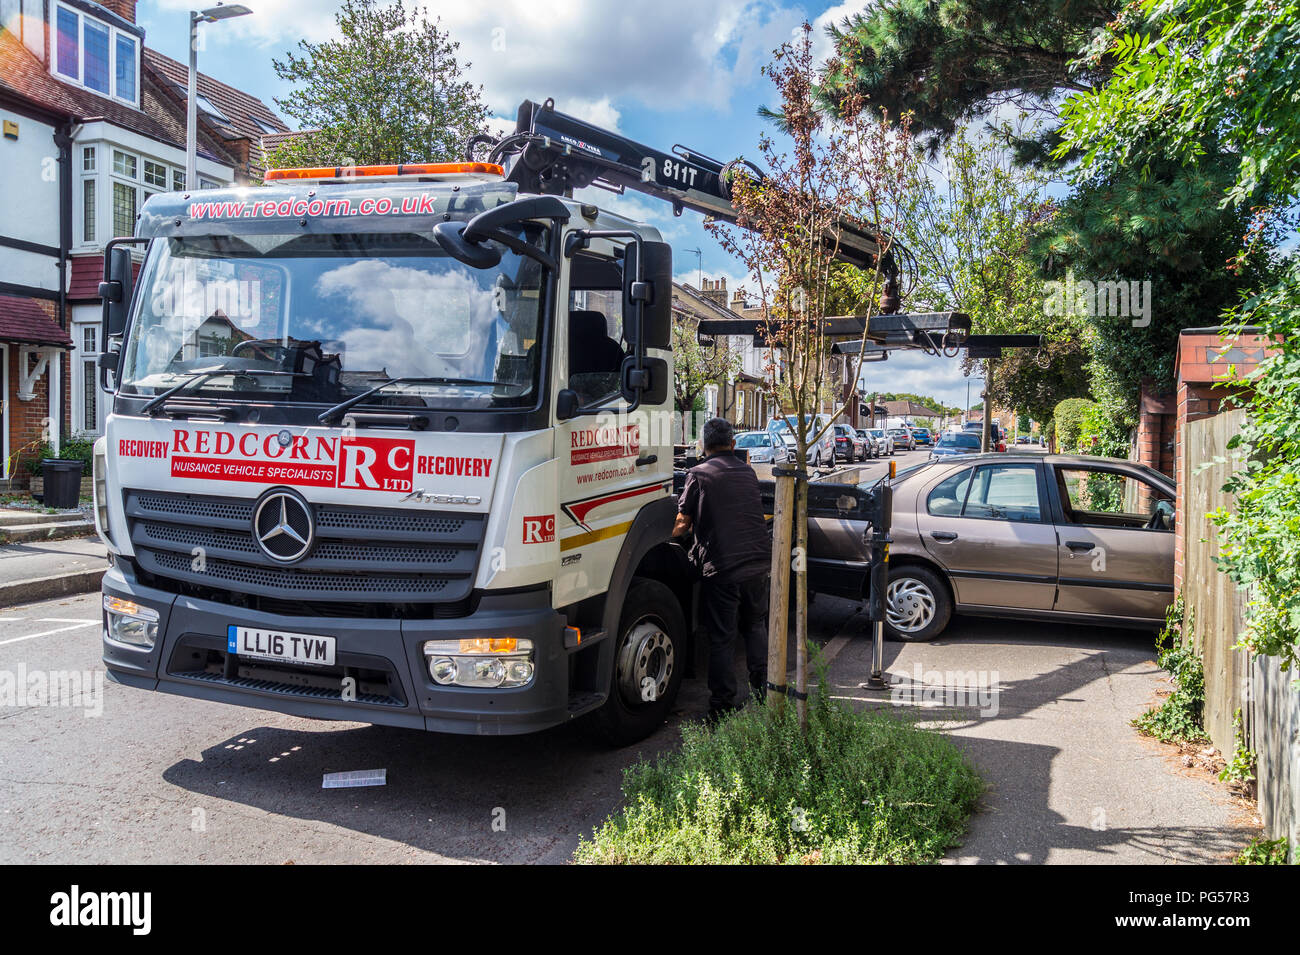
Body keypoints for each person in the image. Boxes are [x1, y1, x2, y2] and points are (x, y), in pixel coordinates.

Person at [673, 417, 771, 720]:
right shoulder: (747, 471)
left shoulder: (698, 474)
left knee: (722, 637)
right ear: (733, 443)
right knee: (755, 625)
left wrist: (668, 537)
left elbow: (682, 522)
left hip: (724, 567)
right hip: (757, 560)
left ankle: (722, 705)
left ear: (703, 445)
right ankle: (763, 691)